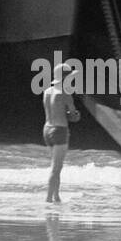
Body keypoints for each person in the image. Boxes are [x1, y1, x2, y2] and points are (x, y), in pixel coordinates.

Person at [42, 63, 81, 203]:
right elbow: (73, 116)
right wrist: (76, 115)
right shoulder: (65, 94)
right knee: (56, 168)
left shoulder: (47, 91)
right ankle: (48, 199)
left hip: (47, 129)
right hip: (60, 130)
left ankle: (56, 196)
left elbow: (51, 110)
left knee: (56, 165)